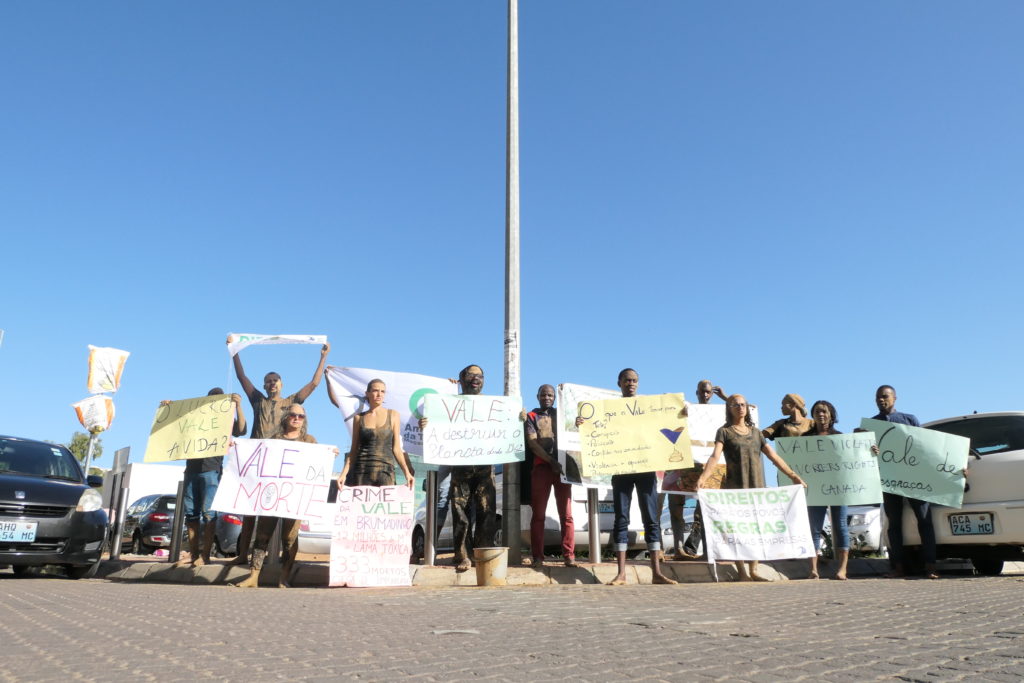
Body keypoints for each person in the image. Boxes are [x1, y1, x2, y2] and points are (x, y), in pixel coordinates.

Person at [229, 340, 330, 565]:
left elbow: (313, 383)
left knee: (280, 511)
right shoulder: (257, 401)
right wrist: (234, 351)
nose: (272, 383)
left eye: (275, 380)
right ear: (264, 386)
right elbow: (242, 377)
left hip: (281, 465)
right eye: (268, 381)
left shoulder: (291, 403)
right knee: (249, 511)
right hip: (257, 462)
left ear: (281, 384)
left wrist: (323, 356)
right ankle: (242, 555)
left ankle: (279, 560)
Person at [578, 368, 676, 585]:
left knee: (651, 519)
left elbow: (666, 425)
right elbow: (595, 429)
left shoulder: (649, 408)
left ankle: (657, 573)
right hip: (621, 469)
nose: (630, 384)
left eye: (634, 381)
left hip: (645, 468)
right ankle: (621, 573)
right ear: (619, 383)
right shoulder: (607, 410)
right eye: (627, 380)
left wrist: (681, 414)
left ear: (638, 384)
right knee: (621, 519)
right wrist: (582, 425)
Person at [697, 394, 806, 581]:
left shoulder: (756, 433)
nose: (740, 407)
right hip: (735, 490)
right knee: (737, 531)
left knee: (756, 529)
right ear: (729, 408)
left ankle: (754, 570)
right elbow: (715, 456)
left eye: (743, 404)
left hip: (757, 488)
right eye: (735, 405)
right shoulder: (724, 432)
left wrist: (794, 476)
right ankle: (742, 572)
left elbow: (773, 456)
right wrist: (702, 478)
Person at [420, 364, 495, 572]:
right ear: (462, 379)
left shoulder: (494, 406)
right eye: (471, 375)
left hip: (484, 467)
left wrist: (518, 418)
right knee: (459, 511)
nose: (476, 379)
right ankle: (463, 555)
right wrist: (426, 424)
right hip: (460, 465)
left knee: (486, 511)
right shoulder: (450, 405)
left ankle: (483, 554)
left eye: (480, 375)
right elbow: (436, 424)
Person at [234, 404, 318, 588]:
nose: (296, 418)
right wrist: (238, 448)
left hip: (294, 497)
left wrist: (330, 455)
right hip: (271, 495)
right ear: (286, 417)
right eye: (293, 415)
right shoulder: (274, 440)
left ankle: (284, 577)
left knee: (289, 538)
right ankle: (253, 576)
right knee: (263, 534)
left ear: (304, 420)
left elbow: (316, 465)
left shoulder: (310, 441)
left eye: (301, 416)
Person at [171, 389, 247, 568]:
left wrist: (238, 406)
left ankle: (205, 555)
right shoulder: (196, 418)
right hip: (191, 470)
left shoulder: (224, 421)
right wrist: (169, 408)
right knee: (191, 514)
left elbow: (242, 430)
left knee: (208, 514)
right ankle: (194, 553)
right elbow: (174, 425)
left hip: (211, 471)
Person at [870, 385, 937, 579]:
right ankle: (897, 567)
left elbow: (923, 446)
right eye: (878, 398)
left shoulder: (910, 419)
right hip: (889, 480)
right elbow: (867, 456)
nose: (881, 400)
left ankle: (931, 566)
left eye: (885, 397)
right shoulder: (872, 424)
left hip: (914, 478)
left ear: (895, 398)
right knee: (894, 524)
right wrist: (870, 448)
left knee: (925, 520)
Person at [524, 384, 576, 568]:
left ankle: (569, 555)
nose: (547, 397)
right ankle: (538, 556)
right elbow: (533, 444)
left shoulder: (562, 415)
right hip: (542, 469)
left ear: (555, 397)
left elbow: (573, 430)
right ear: (537, 396)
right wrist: (550, 461)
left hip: (562, 469)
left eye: (551, 395)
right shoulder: (531, 416)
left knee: (567, 515)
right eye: (544, 394)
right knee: (538, 514)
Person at [674, 379, 726, 559]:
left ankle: (694, 547)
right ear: (696, 393)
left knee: (705, 509)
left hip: (713, 466)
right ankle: (688, 548)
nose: (705, 395)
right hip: (692, 464)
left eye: (708, 392)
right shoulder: (690, 409)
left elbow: (744, 412)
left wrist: (725, 398)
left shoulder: (719, 413)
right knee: (687, 506)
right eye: (702, 392)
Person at [336, 379, 415, 490]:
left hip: (385, 471)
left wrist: (407, 472)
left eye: (383, 391)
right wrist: (343, 474)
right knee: (362, 506)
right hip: (362, 470)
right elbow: (354, 450)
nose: (379, 394)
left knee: (386, 507)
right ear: (367, 393)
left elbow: (396, 448)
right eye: (375, 390)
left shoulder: (393, 415)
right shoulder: (359, 418)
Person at [802, 400, 849, 580]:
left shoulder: (841, 438)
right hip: (816, 489)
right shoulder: (805, 439)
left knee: (841, 526)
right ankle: (813, 569)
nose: (821, 414)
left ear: (831, 415)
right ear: (813, 415)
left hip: (839, 488)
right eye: (817, 412)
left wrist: (870, 450)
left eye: (824, 411)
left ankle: (842, 569)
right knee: (813, 528)